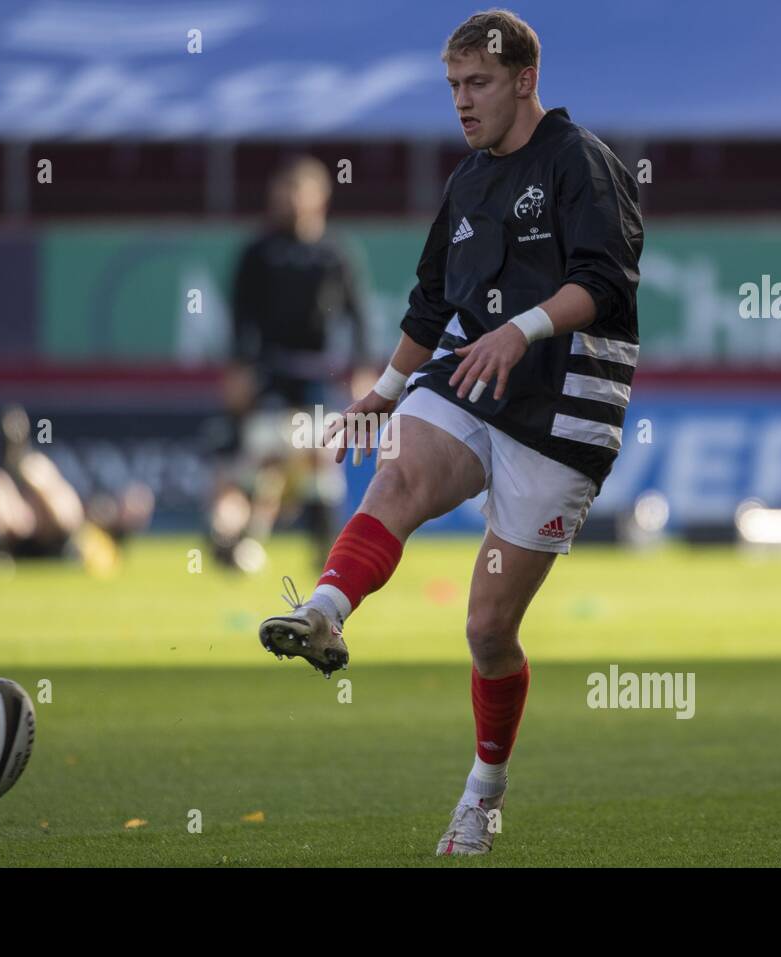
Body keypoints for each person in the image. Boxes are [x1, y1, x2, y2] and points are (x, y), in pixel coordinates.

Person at [256, 10, 643, 856]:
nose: (463, 103)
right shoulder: (468, 180)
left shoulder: (583, 163)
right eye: (453, 86)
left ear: (525, 80)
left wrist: (524, 328)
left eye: (479, 84)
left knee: (486, 631)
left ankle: (485, 791)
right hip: (475, 376)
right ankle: (326, 608)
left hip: (566, 406)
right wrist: (385, 390)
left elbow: (606, 284)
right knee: (395, 476)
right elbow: (432, 304)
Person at [207, 156, 372, 573]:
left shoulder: (336, 252)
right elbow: (240, 317)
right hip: (270, 373)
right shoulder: (259, 252)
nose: (289, 201)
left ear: (320, 197)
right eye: (283, 192)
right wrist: (239, 368)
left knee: (318, 458)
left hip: (319, 375)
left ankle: (323, 554)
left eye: (297, 191)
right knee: (266, 458)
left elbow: (359, 315)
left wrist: (363, 369)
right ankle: (233, 536)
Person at [0, 405, 152, 570]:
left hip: (51, 538)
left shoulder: (36, 467)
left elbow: (67, 516)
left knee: (37, 478)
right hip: (15, 540)